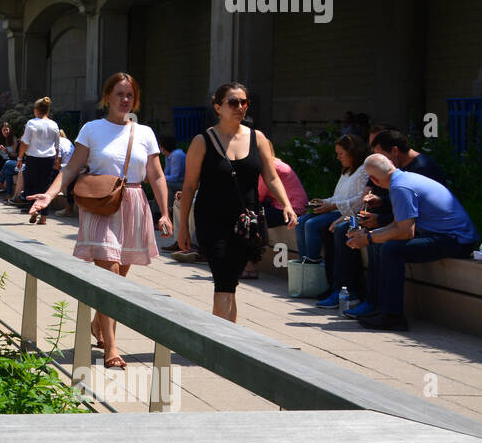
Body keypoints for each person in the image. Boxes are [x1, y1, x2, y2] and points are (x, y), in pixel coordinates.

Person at [27, 74, 170, 369]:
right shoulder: (92, 129)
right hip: (101, 207)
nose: (124, 100)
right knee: (110, 275)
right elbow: (71, 169)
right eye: (119, 94)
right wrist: (49, 196)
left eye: (130, 95)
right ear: (107, 97)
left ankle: (98, 323)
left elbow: (156, 175)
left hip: (133, 205)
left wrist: (166, 212)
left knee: (118, 278)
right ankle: (112, 347)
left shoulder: (145, 133)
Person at [176, 81, 297, 324]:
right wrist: (182, 228)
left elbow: (271, 176)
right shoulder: (202, 142)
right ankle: (221, 343)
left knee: (230, 282)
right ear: (218, 107)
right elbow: (189, 187)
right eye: (233, 102)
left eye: (244, 102)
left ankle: (227, 341)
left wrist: (286, 204)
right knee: (223, 280)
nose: (239, 107)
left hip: (246, 223)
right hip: (212, 221)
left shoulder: (257, 138)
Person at [342, 154, 479, 330]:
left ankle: (392, 316)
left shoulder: (400, 187)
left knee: (391, 250)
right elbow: (397, 224)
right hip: (448, 236)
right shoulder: (403, 178)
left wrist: (368, 238)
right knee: (381, 244)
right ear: (391, 164)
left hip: (457, 240)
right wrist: (369, 235)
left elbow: (406, 232)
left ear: (374, 180)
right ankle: (380, 308)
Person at [301, 136, 369, 303]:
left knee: (315, 225)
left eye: (341, 153)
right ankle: (307, 271)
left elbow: (359, 202)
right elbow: (338, 196)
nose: (338, 157)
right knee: (301, 221)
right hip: (339, 210)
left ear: (353, 152)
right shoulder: (347, 171)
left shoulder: (363, 172)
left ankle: (331, 282)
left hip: (350, 214)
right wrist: (325, 202)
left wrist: (332, 206)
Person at [16, 97, 59, 212]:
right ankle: (44, 215)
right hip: (49, 158)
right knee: (45, 186)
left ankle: (33, 209)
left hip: (33, 157)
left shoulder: (31, 123)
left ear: (36, 109)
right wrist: (56, 160)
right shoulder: (54, 124)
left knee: (31, 184)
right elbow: (57, 145)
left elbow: (25, 142)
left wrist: (20, 158)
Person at [0, 121, 19, 196]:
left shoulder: (14, 140)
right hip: (0, 161)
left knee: (8, 169)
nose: (6, 132)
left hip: (11, 159)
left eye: (7, 130)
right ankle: (4, 190)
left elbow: (15, 155)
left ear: (10, 130)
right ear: (1, 131)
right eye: (4, 130)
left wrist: (8, 152)